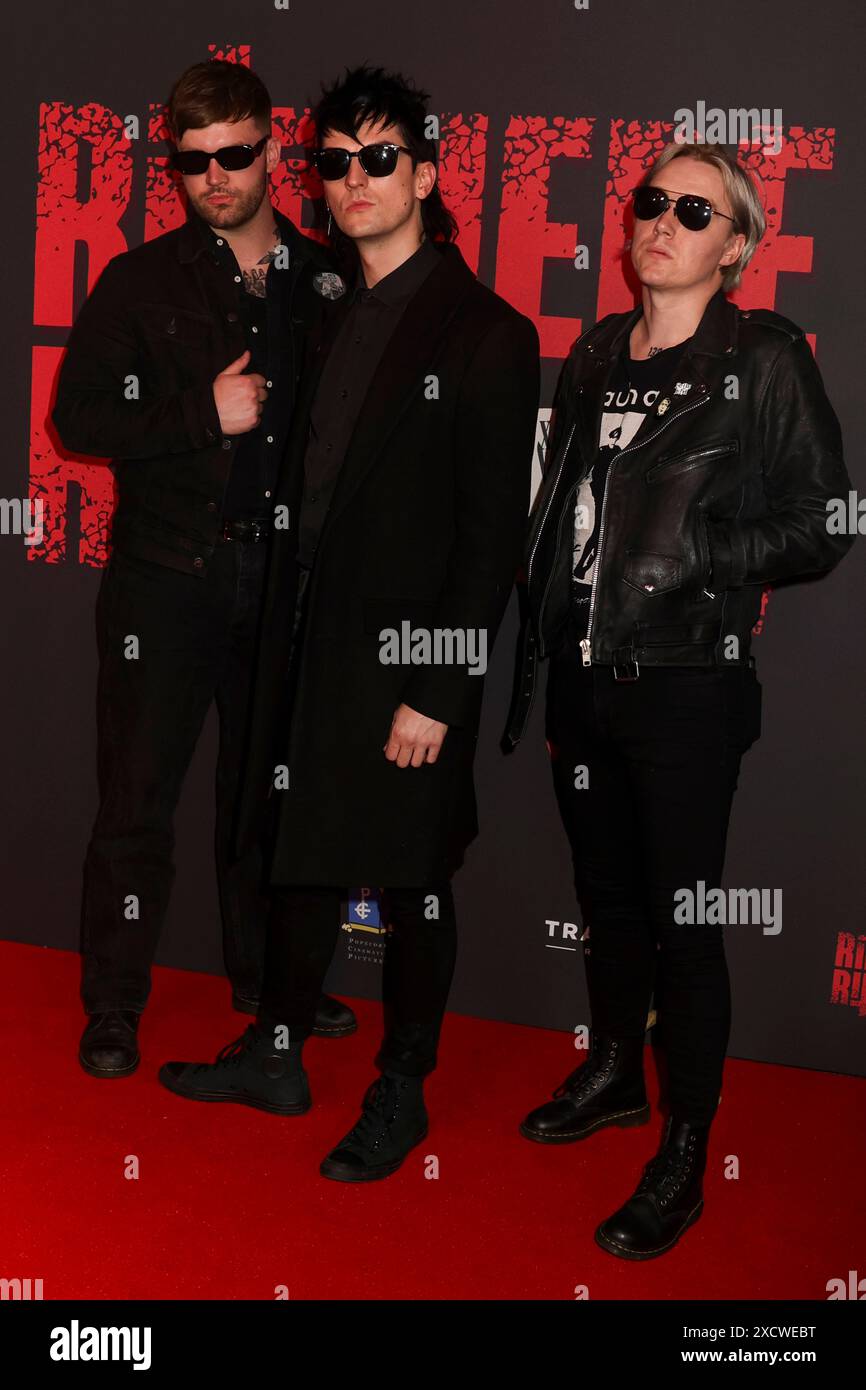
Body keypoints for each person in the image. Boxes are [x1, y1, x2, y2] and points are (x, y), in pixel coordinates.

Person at [158, 64, 541, 1183]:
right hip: (301, 637)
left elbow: (488, 541)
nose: (355, 179)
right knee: (296, 859)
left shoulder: (484, 332)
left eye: (380, 158)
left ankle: (401, 1088)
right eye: (334, 162)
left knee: (413, 875)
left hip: (411, 660)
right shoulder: (318, 309)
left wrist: (440, 688)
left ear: (424, 172)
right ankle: (277, 1051)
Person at [505, 141, 854, 1258]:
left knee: (683, 924)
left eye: (693, 210)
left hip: (687, 683)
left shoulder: (762, 357)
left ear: (735, 246)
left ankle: (685, 1150)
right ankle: (613, 1073)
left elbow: (821, 522)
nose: (660, 220)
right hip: (584, 673)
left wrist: (699, 554)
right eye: (649, 200)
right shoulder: (596, 351)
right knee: (606, 901)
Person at [52, 59, 356, 1079]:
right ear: (172, 166)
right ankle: (113, 1006)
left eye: (234, 154)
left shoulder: (325, 280)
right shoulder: (138, 280)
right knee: (135, 801)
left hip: (279, 582)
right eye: (193, 162)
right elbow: (76, 419)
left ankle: (268, 991)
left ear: (274, 149)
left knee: (261, 799)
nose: (215, 176)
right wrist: (197, 415)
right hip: (164, 579)